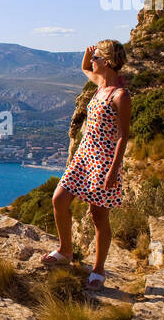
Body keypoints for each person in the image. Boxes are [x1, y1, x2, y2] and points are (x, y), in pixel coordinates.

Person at [41, 40, 131, 288]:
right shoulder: (100, 86)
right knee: (59, 199)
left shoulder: (119, 95)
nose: (93, 62)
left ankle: (99, 270)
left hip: (103, 160)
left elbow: (124, 135)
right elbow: (84, 69)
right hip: (83, 155)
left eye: (97, 58)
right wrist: (88, 53)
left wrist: (114, 169)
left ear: (108, 62)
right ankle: (65, 250)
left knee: (98, 216)